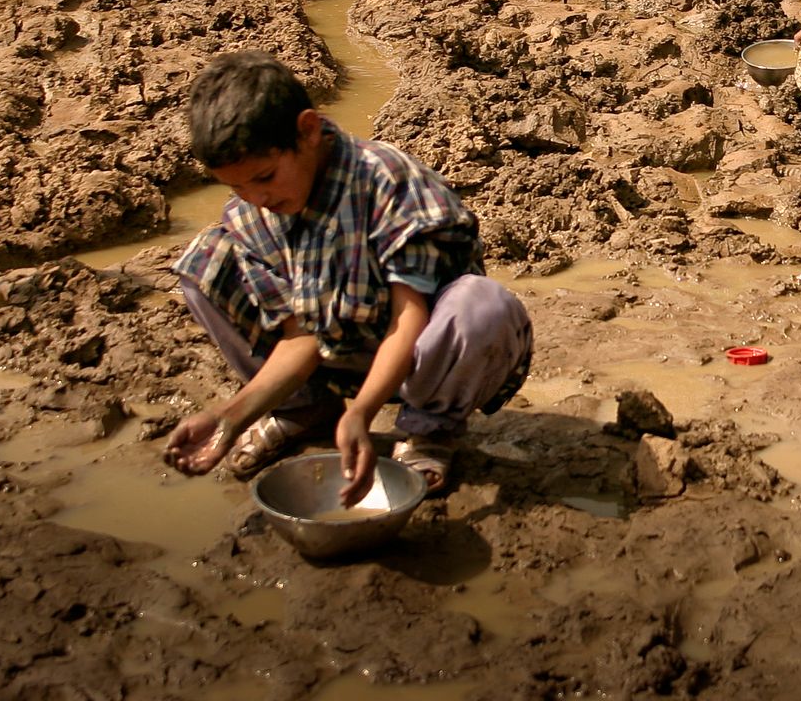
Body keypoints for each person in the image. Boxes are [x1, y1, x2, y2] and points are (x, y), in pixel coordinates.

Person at [164, 51, 531, 504]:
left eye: (265, 177)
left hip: (422, 356)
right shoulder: (254, 214)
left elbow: (408, 318)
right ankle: (304, 411)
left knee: (482, 303)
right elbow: (301, 339)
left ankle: (429, 429)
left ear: (308, 131)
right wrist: (229, 417)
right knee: (205, 260)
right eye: (237, 187)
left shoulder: (388, 181)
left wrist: (362, 411)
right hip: (338, 353)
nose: (256, 197)